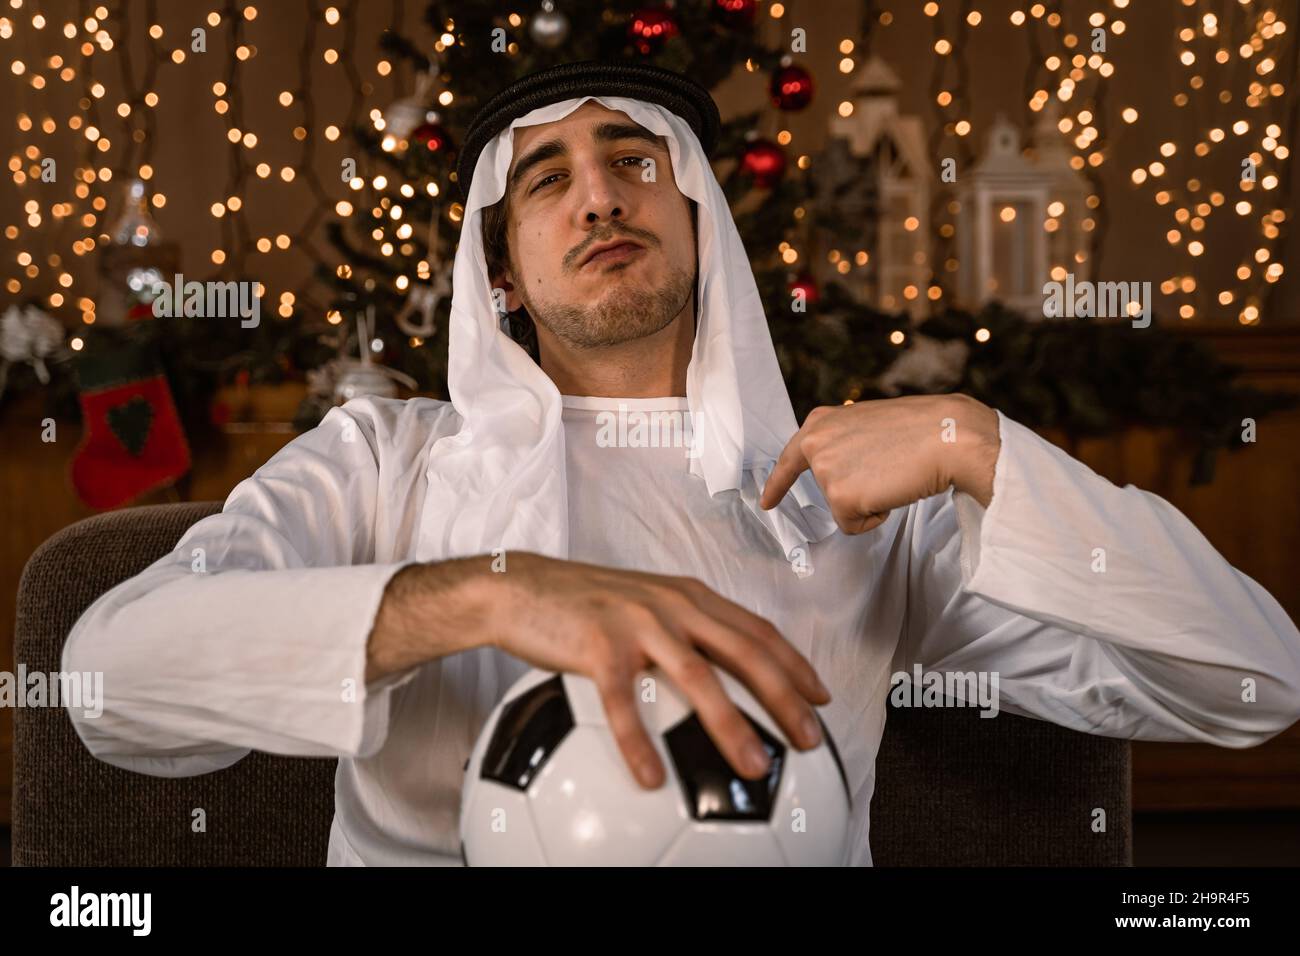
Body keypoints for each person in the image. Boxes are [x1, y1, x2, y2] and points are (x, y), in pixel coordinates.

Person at [64, 61, 1300, 867]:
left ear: (699, 211)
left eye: (634, 160)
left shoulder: (850, 491)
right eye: (546, 178)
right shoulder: (382, 463)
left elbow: (1252, 681)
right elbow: (111, 679)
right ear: (499, 271)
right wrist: (500, 591)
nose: (598, 196)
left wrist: (974, 442)